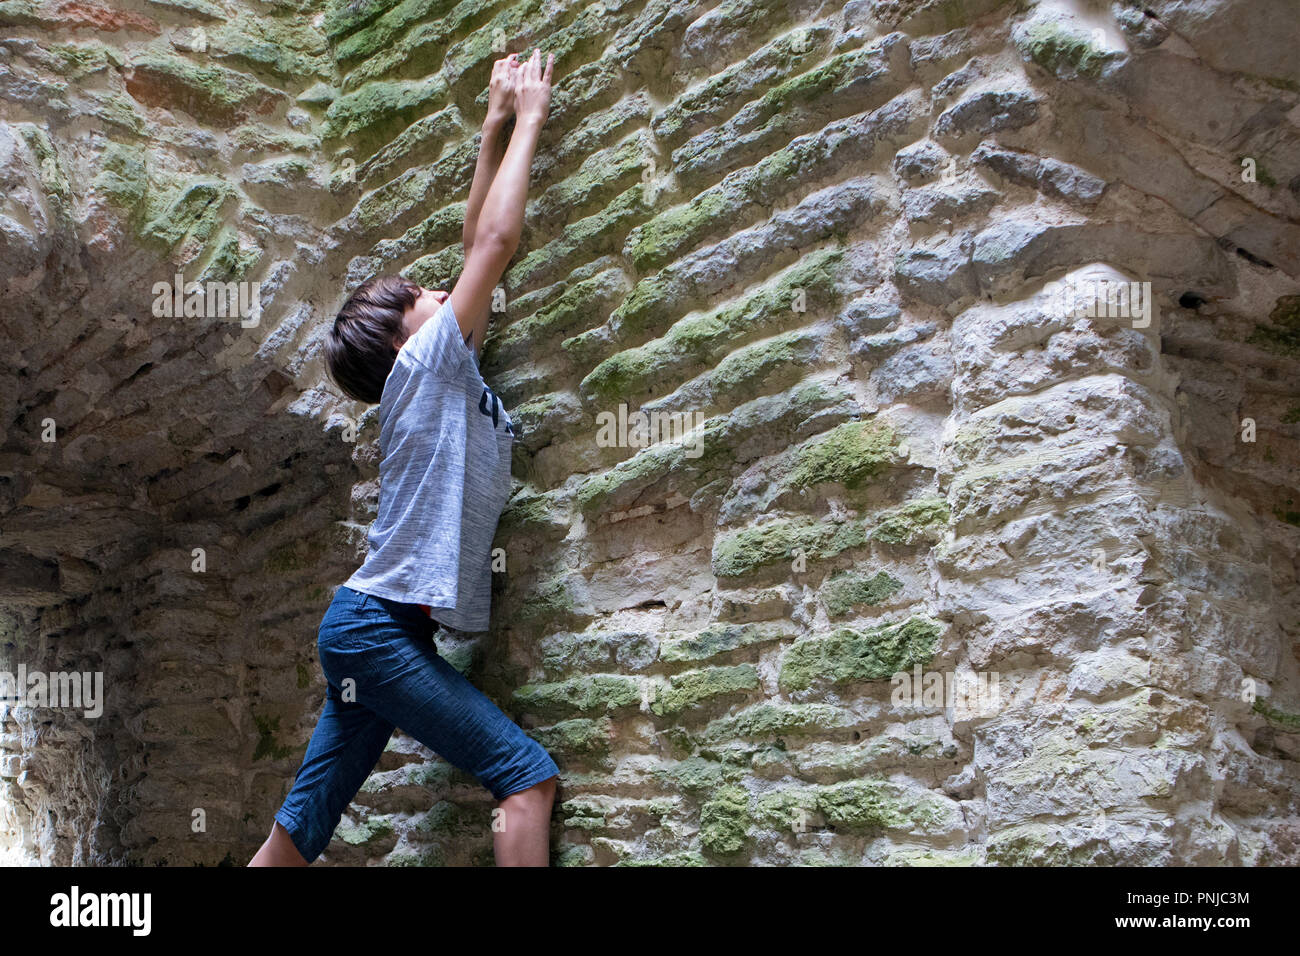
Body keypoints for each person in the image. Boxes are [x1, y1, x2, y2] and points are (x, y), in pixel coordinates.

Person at [249, 49, 560, 867]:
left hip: (373, 631)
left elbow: (475, 243)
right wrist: (532, 117)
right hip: (377, 629)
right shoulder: (426, 367)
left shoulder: (439, 373)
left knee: (300, 829)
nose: (439, 291)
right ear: (402, 342)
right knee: (524, 777)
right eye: (420, 296)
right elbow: (493, 242)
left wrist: (491, 128)